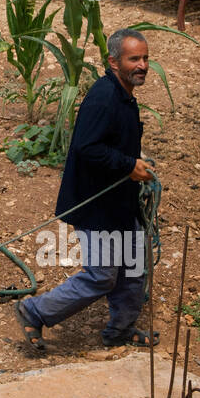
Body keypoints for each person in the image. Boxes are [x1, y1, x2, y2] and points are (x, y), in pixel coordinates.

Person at [14, 28, 158, 350]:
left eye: (145, 58)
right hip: (96, 204)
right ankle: (33, 311)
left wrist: (136, 161)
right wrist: (127, 166)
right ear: (113, 61)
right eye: (134, 58)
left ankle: (120, 329)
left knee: (134, 267)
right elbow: (85, 148)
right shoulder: (103, 97)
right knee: (102, 275)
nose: (143, 65)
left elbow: (111, 143)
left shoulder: (124, 95)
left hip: (121, 200)